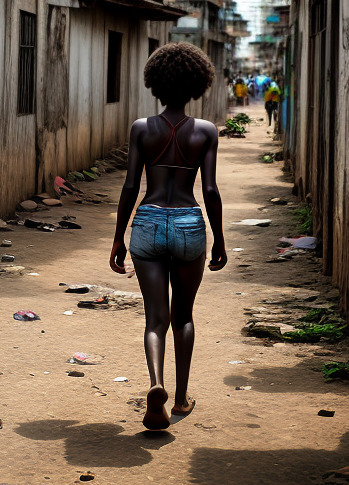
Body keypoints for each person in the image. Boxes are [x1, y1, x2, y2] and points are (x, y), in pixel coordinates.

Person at [110, 42, 226, 430]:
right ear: (197, 86)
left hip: (147, 221)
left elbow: (130, 186)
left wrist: (118, 238)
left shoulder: (141, 129)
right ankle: (179, 399)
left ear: (155, 85)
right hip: (189, 222)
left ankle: (155, 382)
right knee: (184, 316)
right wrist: (220, 240)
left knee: (155, 319)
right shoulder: (206, 131)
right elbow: (209, 190)